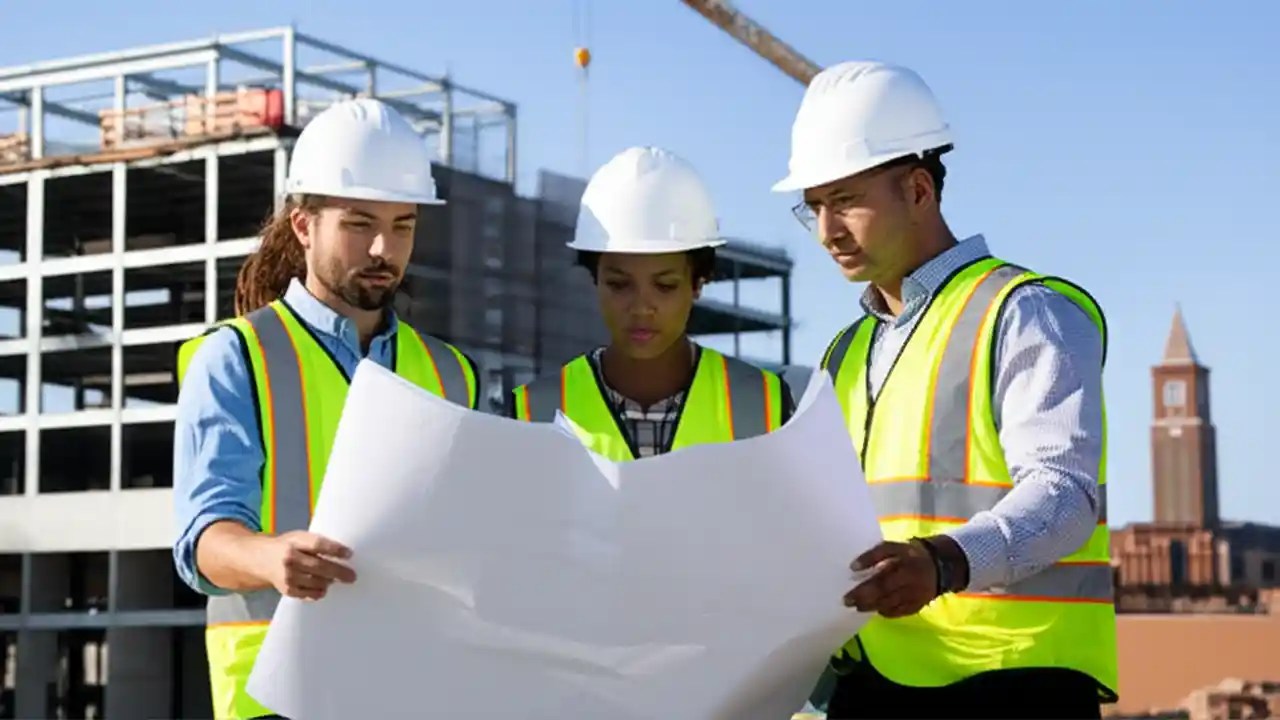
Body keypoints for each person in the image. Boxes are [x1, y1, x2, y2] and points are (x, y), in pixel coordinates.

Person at [772, 61, 1117, 718]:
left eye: (845, 201)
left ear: (920, 189)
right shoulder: (844, 353)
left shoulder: (1022, 312)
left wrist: (946, 561)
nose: (826, 231)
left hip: (1009, 685)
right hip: (874, 684)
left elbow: (1064, 495)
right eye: (813, 207)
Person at [171, 98, 480, 720]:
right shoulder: (236, 357)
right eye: (358, 222)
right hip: (277, 697)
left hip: (416, 693)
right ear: (303, 225)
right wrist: (269, 557)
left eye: (403, 225)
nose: (382, 248)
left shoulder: (454, 373)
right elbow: (202, 544)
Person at [507, 145, 794, 457]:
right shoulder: (530, 413)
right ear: (595, 281)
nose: (641, 307)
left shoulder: (765, 405)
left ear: (698, 283)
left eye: (665, 286)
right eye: (619, 285)